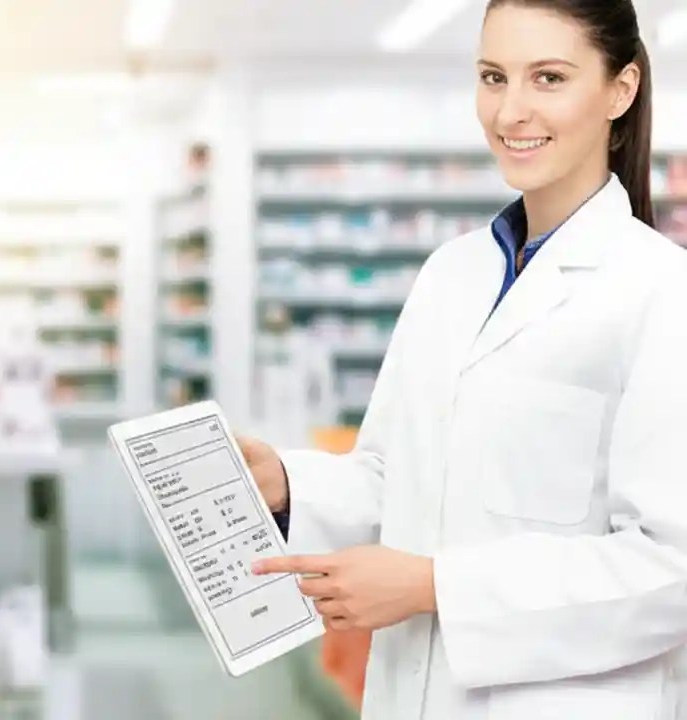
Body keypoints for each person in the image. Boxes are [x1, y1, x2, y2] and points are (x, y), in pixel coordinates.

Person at [241, 1, 687, 718]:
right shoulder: (451, 275)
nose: (510, 111)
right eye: (492, 76)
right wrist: (290, 484)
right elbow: (397, 475)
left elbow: (671, 568)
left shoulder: (662, 293)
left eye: (548, 78)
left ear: (620, 90)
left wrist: (434, 588)